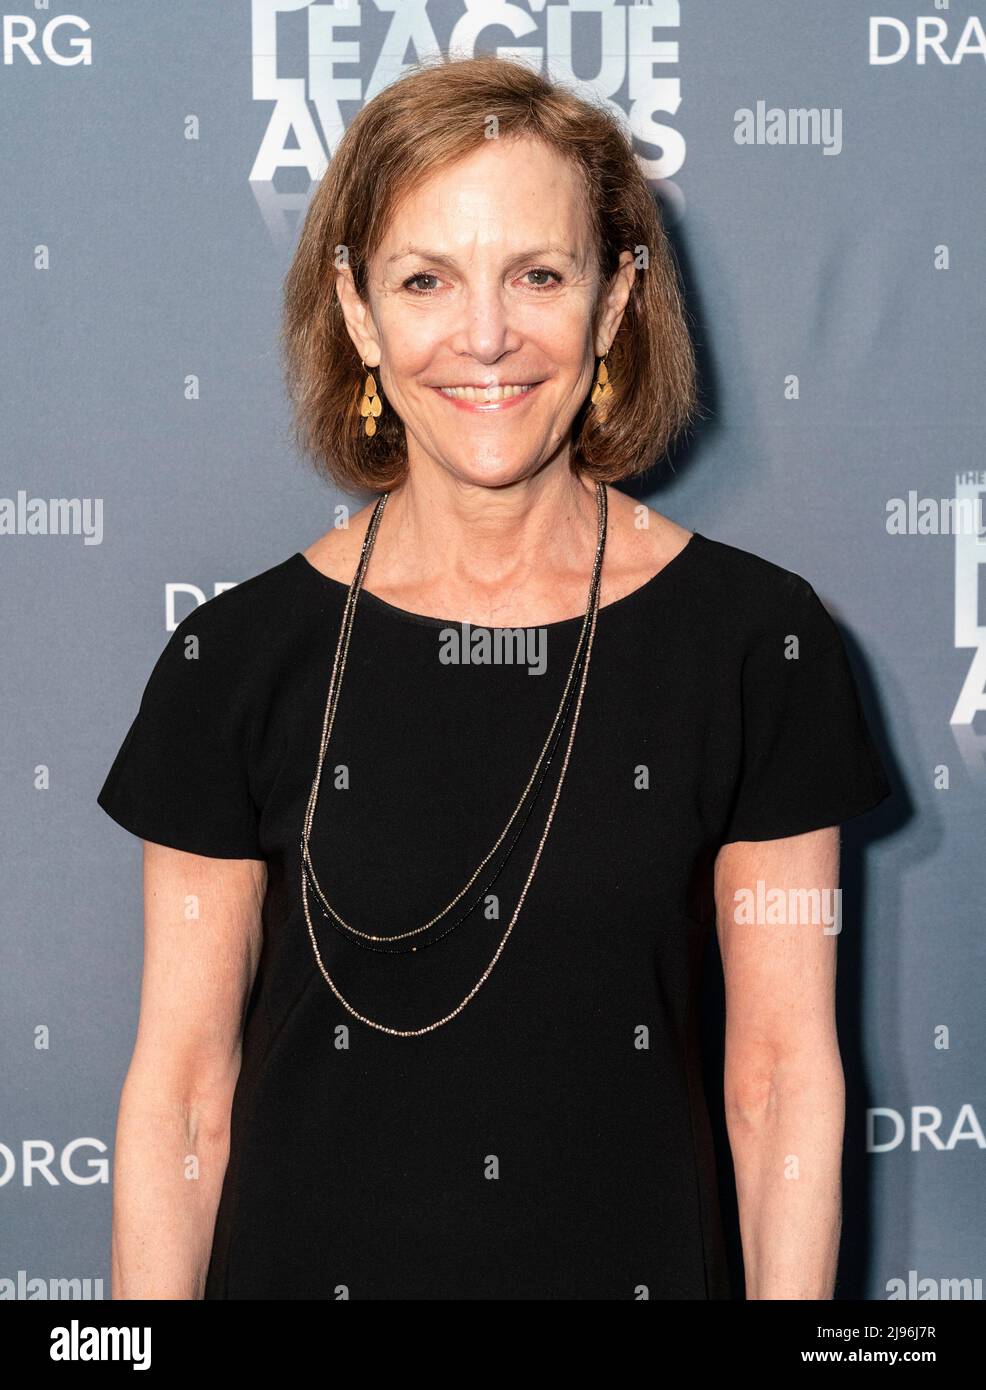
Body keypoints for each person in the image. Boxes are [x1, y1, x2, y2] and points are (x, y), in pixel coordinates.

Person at [97, 54, 891, 1300]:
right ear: (356, 310)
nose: (485, 335)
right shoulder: (233, 664)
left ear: (616, 299)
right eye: (426, 279)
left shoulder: (755, 645)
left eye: (538, 273)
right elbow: (184, 1092)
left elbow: (782, 1076)